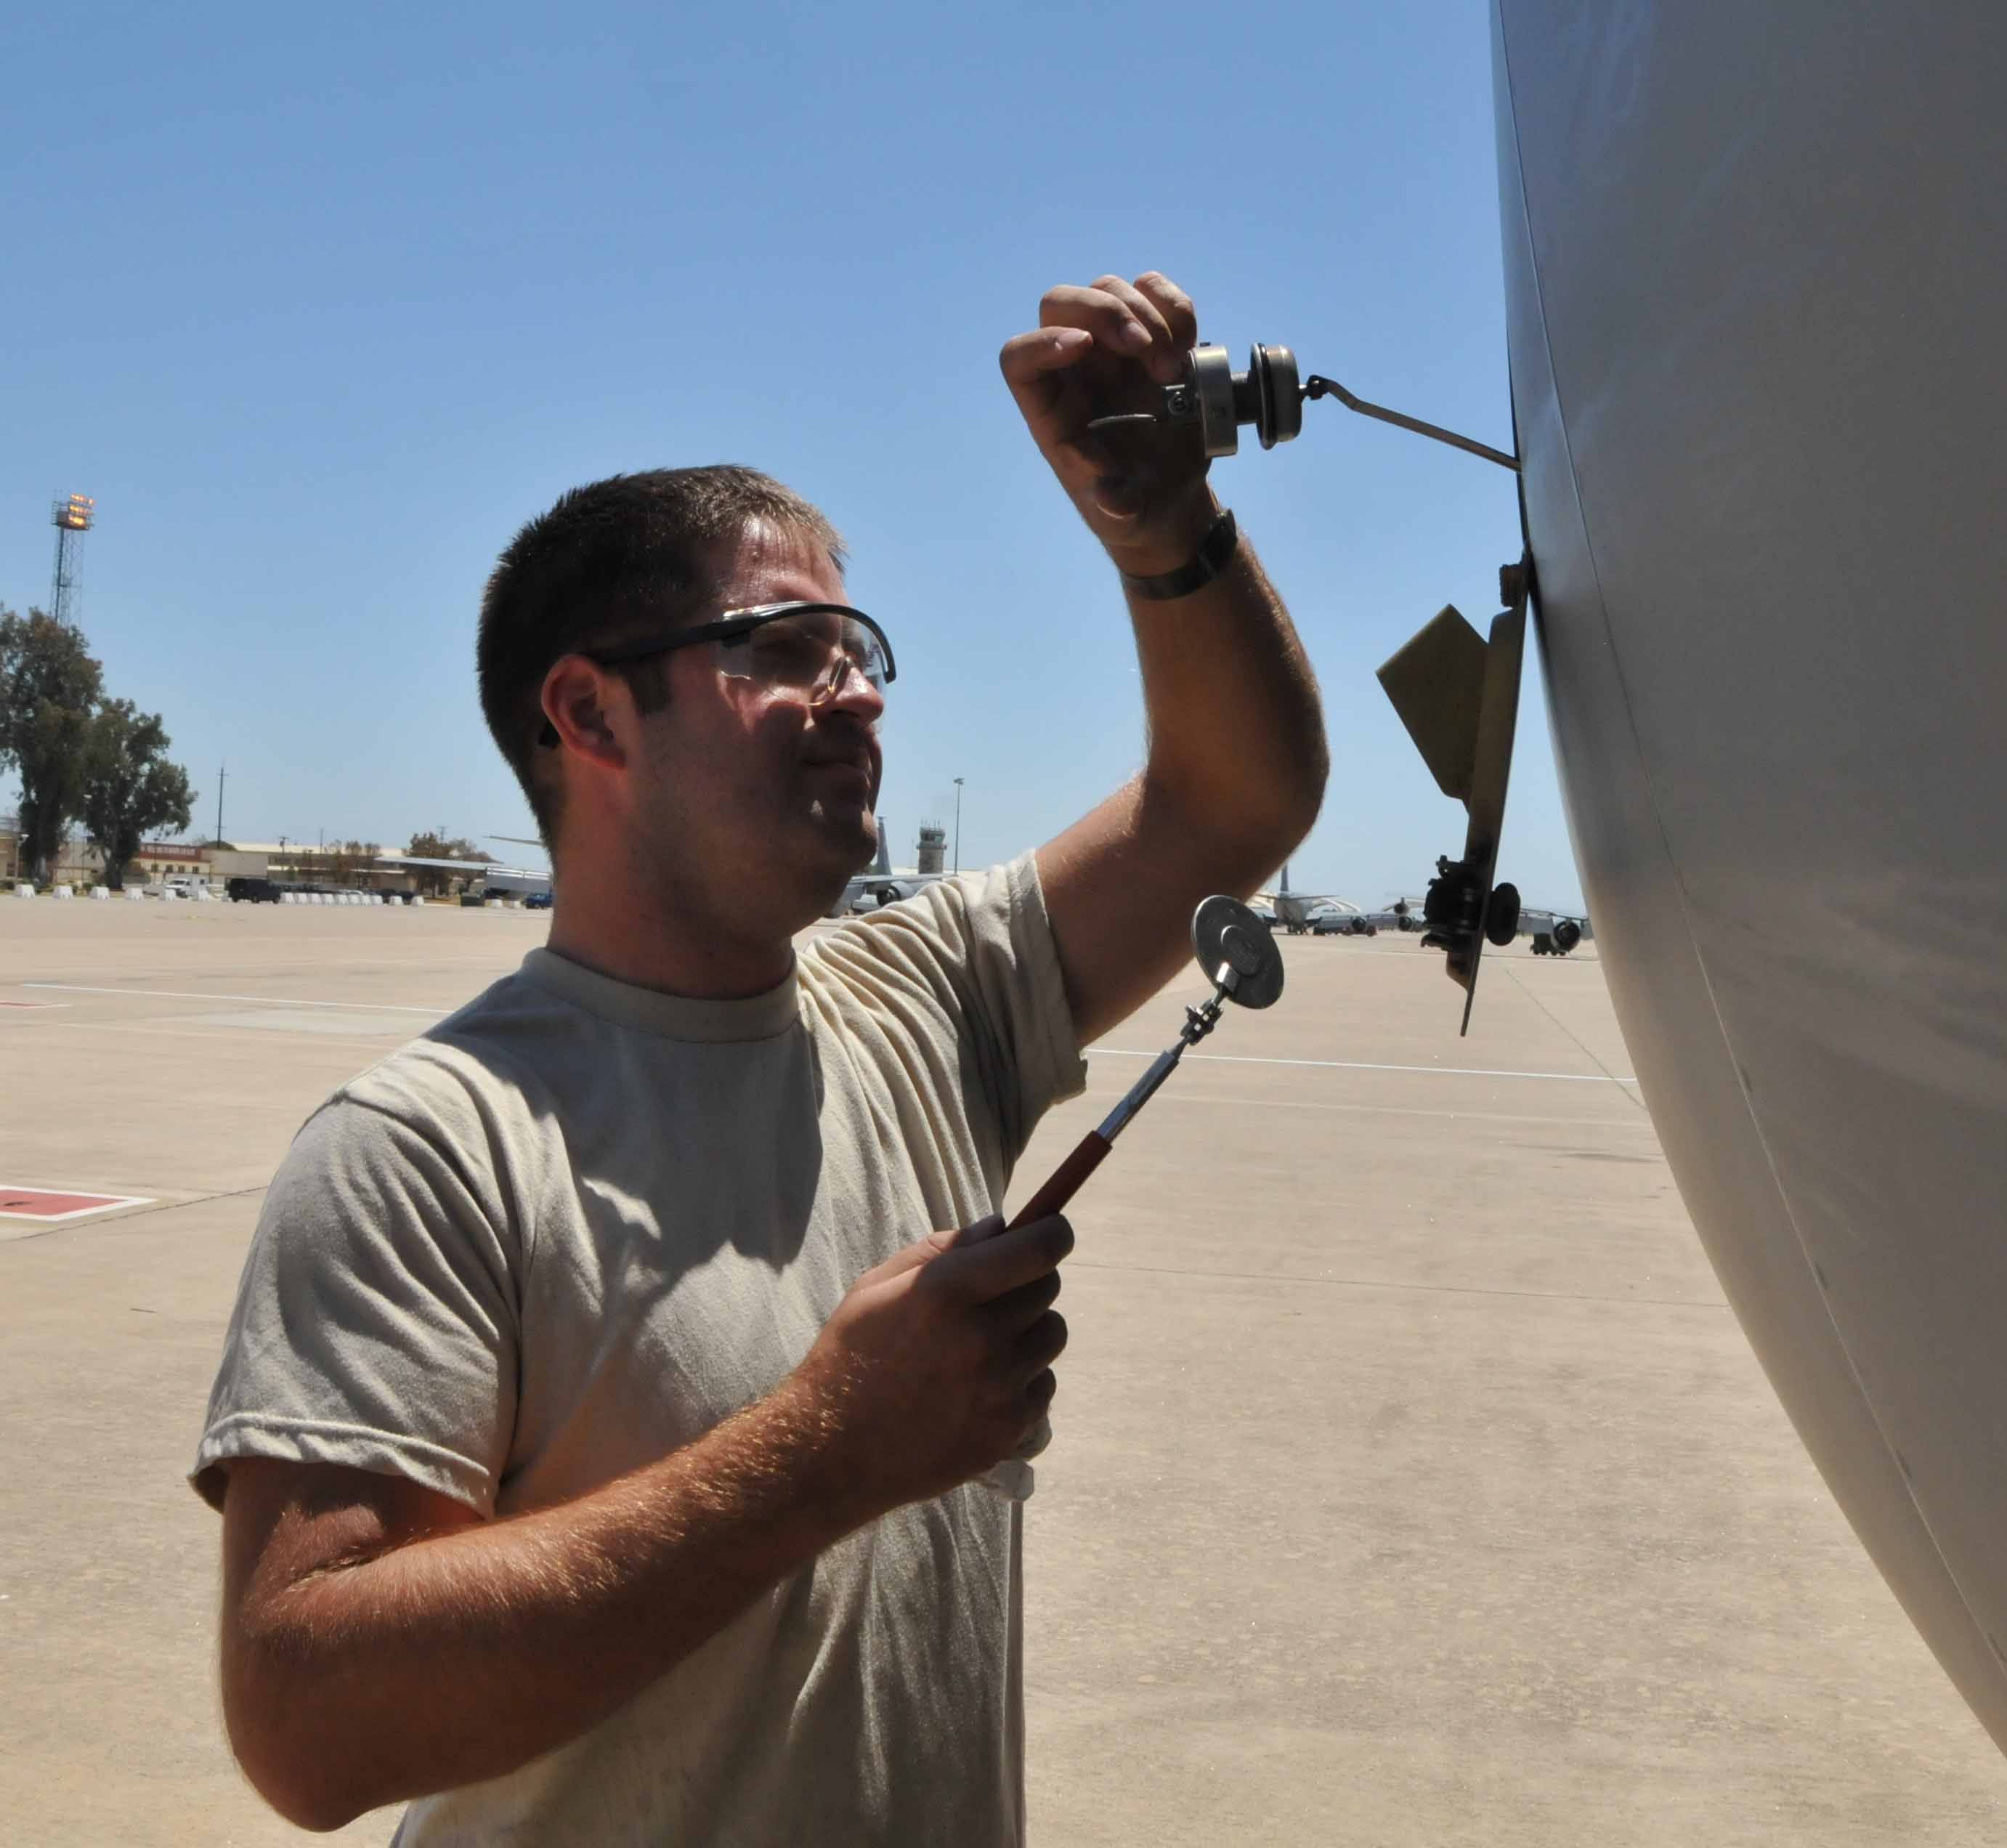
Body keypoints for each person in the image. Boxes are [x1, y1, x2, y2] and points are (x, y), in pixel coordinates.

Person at [192, 271, 1328, 1842]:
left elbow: (1231, 805)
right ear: (590, 713)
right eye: (782, 648)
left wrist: (1163, 533)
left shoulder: (920, 999)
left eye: (858, 647)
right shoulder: (429, 1144)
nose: (856, 690)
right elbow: (306, 1716)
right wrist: (824, 1454)